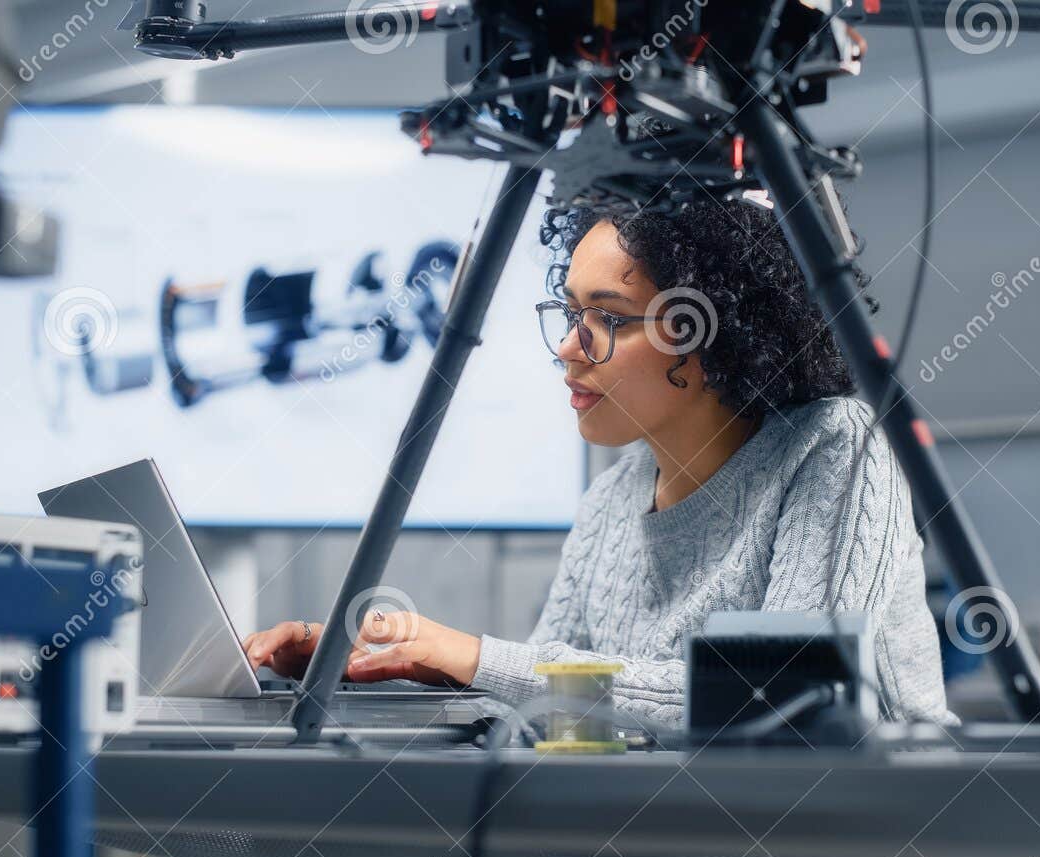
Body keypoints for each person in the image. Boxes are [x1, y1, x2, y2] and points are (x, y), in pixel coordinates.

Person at [243, 195, 954, 730]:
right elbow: (554, 703)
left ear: (717, 334)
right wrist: (385, 665)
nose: (570, 347)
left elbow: (788, 700)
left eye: (610, 319)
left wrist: (470, 654)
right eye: (570, 311)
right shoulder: (612, 503)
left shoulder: (835, 447)